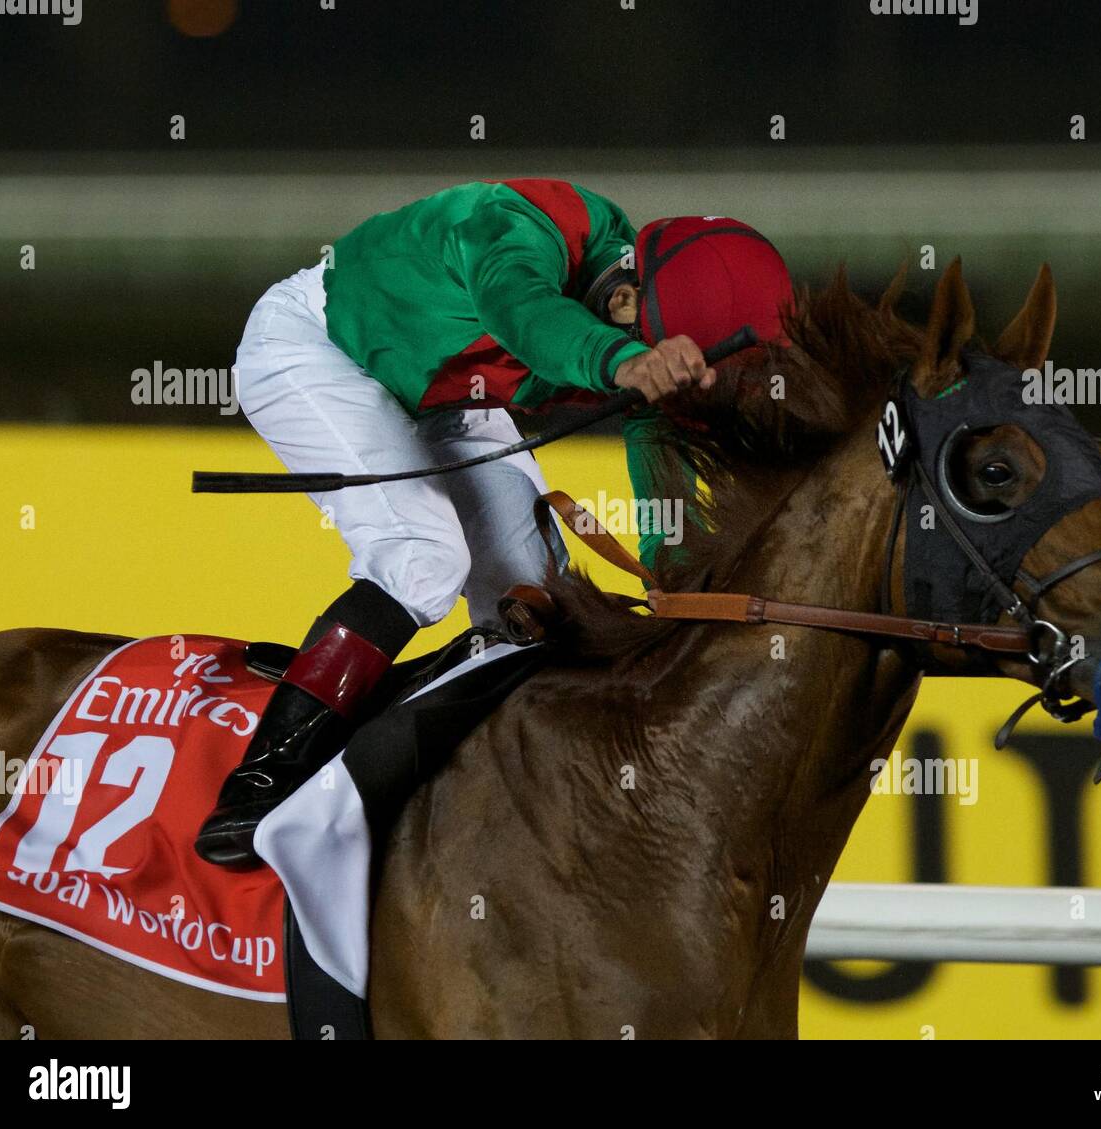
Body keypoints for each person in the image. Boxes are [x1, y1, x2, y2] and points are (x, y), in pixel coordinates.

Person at [195, 178, 793, 867]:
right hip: (316, 348)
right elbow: (523, 309)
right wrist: (624, 359)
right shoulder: (525, 222)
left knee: (541, 602)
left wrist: (677, 583)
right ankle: (260, 786)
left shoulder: (641, 307)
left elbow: (660, 465)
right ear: (622, 296)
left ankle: (457, 781)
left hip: (443, 396)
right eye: (637, 338)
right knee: (421, 558)